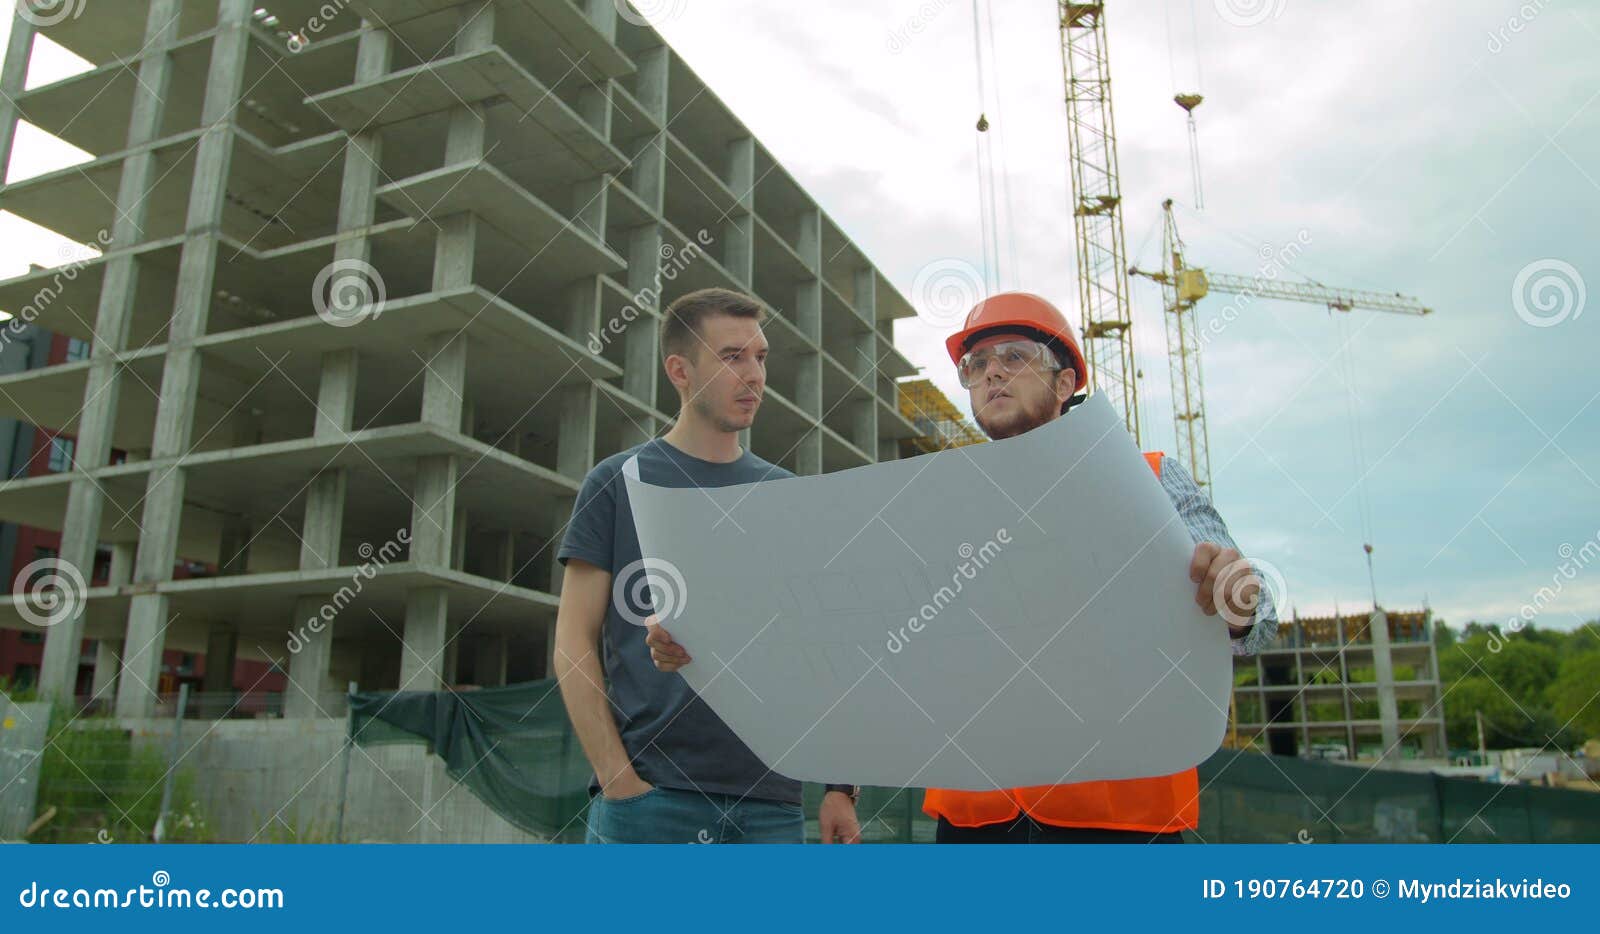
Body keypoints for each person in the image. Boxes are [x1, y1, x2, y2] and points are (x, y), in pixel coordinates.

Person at [920, 291, 1279, 843]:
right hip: (974, 817)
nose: (992, 372)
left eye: (1014, 356)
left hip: (1117, 819)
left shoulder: (1149, 479)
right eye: (977, 363)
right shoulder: (945, 505)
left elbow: (1257, 622)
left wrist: (1238, 599)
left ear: (1065, 384)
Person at [555, 286, 861, 844]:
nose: (754, 375)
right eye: (731, 357)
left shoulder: (788, 497)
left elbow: (820, 648)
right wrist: (617, 778)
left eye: (760, 357)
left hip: (772, 805)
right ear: (680, 370)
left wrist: (840, 785)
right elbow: (573, 640)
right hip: (650, 800)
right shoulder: (617, 483)